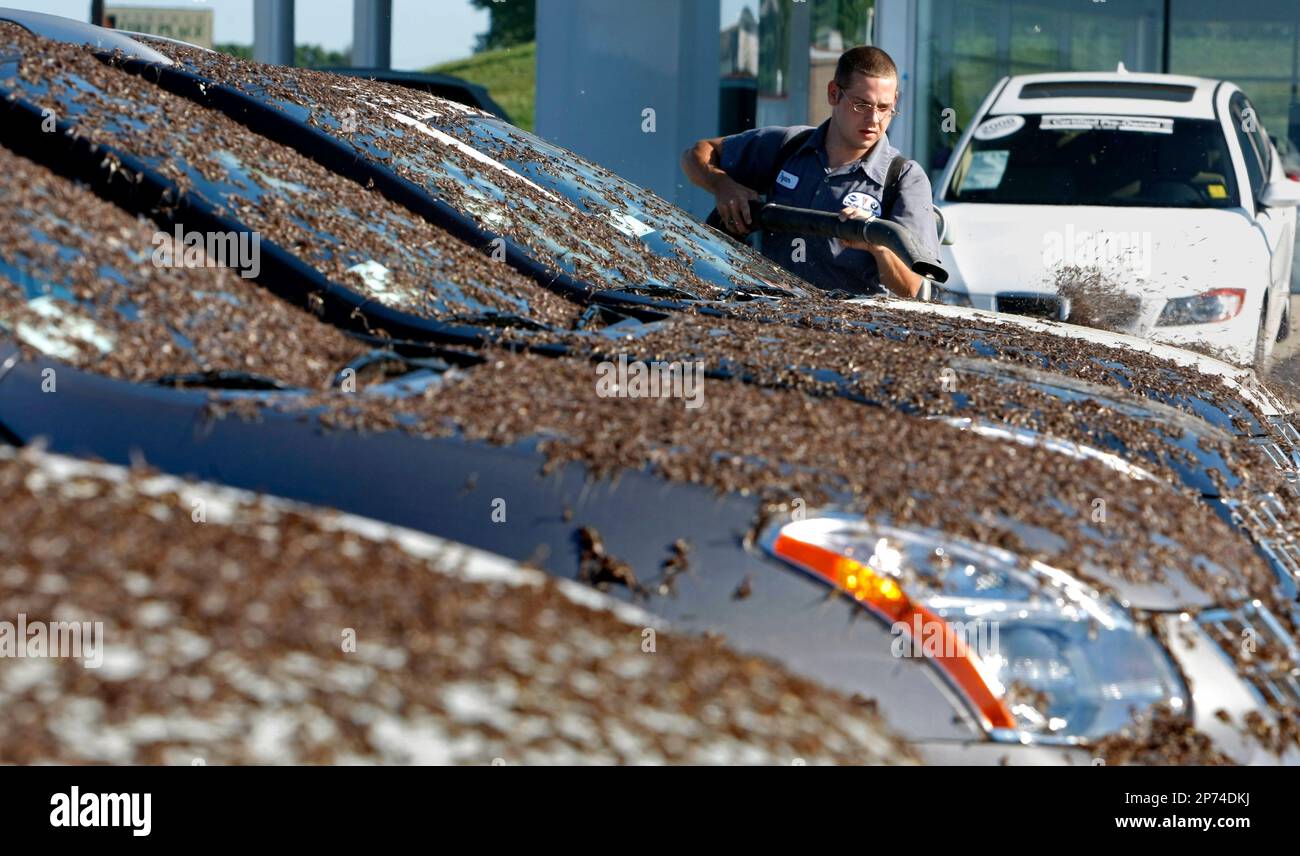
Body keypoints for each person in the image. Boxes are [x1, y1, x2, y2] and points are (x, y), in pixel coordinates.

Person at [681, 45, 937, 298]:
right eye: (861, 105)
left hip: (854, 329)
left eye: (884, 108)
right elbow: (695, 154)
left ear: (895, 102)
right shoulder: (786, 146)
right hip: (769, 315)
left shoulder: (904, 178)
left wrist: (877, 244)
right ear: (833, 93)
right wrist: (722, 185)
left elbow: (911, 287)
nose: (874, 120)